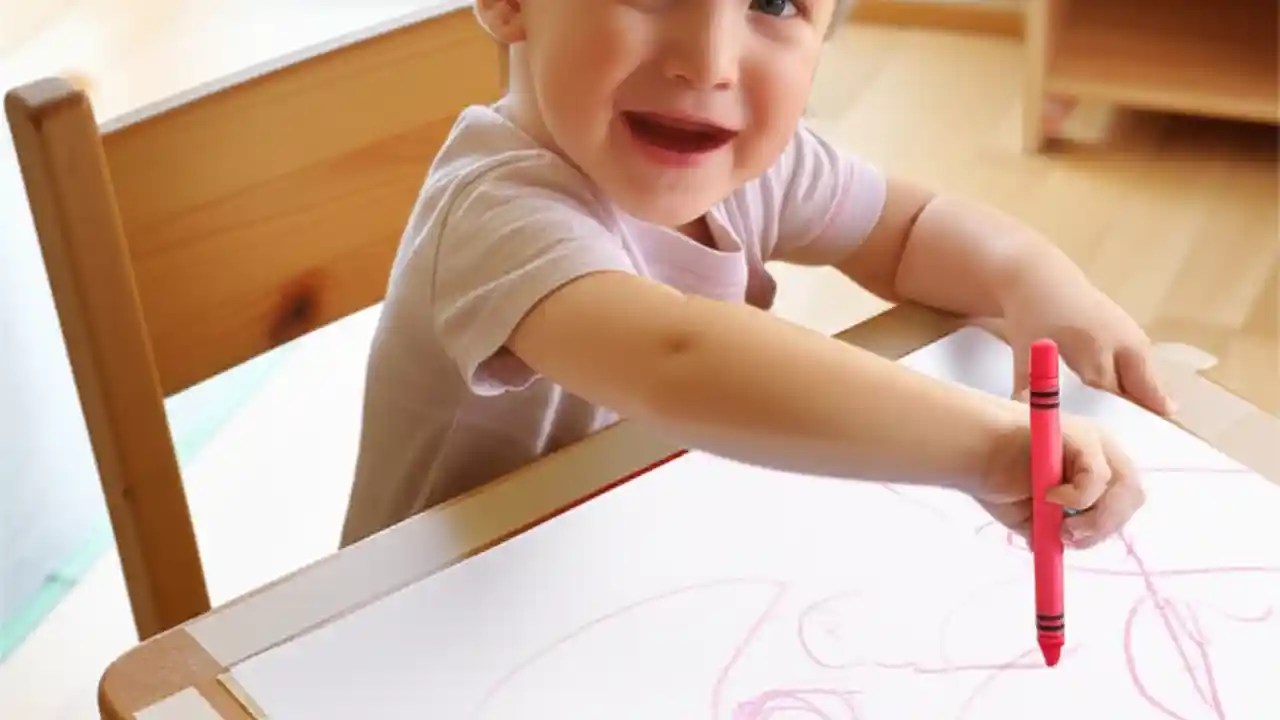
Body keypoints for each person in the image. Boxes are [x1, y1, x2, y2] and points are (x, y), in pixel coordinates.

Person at [339, 0, 1173, 550]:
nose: (708, 63)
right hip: (419, 627)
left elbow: (909, 230)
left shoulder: (742, 159)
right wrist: (991, 448)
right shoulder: (496, 213)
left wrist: (1030, 276)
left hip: (618, 563)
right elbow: (680, 359)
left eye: (773, 1)